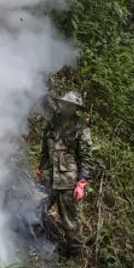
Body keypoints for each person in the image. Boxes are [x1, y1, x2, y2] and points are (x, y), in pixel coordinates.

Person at [35, 89, 93, 257]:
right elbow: (45, 149)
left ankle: (75, 256)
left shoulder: (80, 127)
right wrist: (40, 170)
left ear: (75, 108)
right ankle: (37, 248)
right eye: (65, 104)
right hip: (48, 177)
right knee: (34, 210)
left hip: (68, 180)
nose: (66, 107)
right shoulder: (52, 122)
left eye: (70, 106)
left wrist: (82, 182)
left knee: (70, 222)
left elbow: (86, 157)